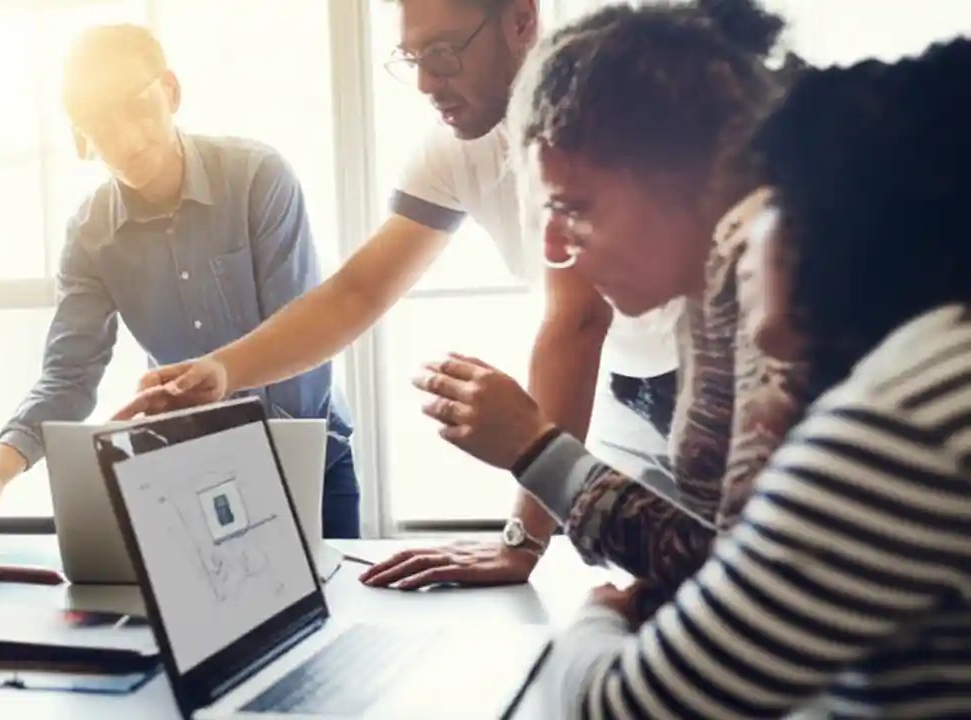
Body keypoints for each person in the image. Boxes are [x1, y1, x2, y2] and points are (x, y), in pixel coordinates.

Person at [117, 0, 683, 573]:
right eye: (412, 57)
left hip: (730, 381)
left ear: (521, 20)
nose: (425, 82)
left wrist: (520, 544)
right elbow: (356, 293)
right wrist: (224, 371)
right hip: (634, 383)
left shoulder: (590, 116)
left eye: (443, 53)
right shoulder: (456, 151)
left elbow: (578, 321)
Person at [537, 37, 971, 719]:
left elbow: (621, 708)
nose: (737, 237)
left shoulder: (903, 417)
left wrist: (597, 615)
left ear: (828, 222)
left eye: (765, 201)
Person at [360, 0, 809, 602]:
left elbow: (758, 602)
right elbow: (719, 559)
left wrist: (535, 451)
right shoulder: (716, 309)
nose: (552, 249)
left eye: (574, 208)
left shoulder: (791, 338)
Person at [0, 24, 362, 537]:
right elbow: (68, 377)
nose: (125, 139)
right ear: (81, 137)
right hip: (197, 475)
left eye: (135, 106)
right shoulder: (90, 235)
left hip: (309, 460)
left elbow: (302, 341)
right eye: (99, 124)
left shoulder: (257, 177)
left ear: (170, 91)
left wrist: (268, 474)